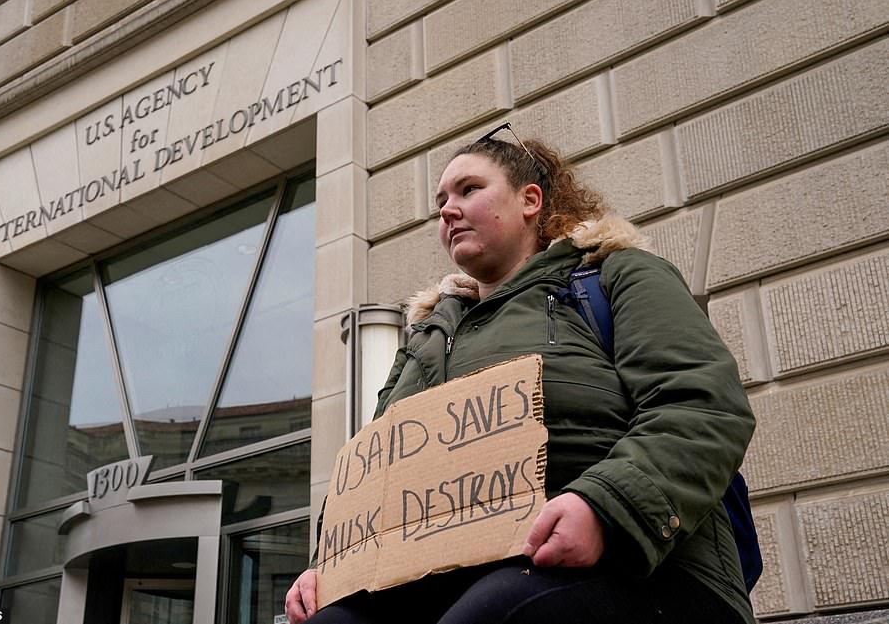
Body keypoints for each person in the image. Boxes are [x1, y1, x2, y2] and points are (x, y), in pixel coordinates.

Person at [285, 124, 757, 624]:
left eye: (469, 190)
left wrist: (605, 508)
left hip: (640, 568)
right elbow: (373, 472)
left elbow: (701, 403)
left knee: (496, 611)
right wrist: (326, 565)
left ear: (530, 200)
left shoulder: (614, 276)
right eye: (441, 201)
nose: (447, 210)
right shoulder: (424, 338)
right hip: (432, 583)